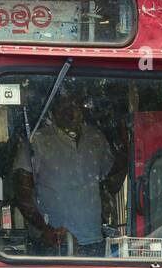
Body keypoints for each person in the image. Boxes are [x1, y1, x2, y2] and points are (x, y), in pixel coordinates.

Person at [10, 101, 114, 256]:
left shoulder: (95, 138)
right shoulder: (37, 141)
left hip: (94, 240)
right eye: (63, 106)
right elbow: (22, 193)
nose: (69, 112)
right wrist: (45, 230)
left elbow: (110, 183)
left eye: (74, 105)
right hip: (54, 243)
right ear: (53, 109)